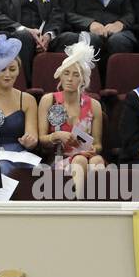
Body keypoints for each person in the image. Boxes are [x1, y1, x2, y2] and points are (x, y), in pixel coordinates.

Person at [36, 42, 104, 191]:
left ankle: (98, 206)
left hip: (85, 156)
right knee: (79, 160)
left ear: (82, 80)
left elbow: (99, 145)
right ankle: (79, 207)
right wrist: (57, 135)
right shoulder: (48, 100)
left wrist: (94, 149)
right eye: (66, 73)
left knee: (98, 160)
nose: (70, 79)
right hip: (58, 159)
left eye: (75, 75)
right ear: (60, 76)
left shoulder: (94, 105)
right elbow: (41, 140)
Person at [0, 35, 40, 176]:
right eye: (3, 69)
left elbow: (32, 136)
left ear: (18, 70)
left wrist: (30, 141)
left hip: (18, 154)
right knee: (1, 168)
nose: (8, 74)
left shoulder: (27, 100)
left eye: (12, 69)